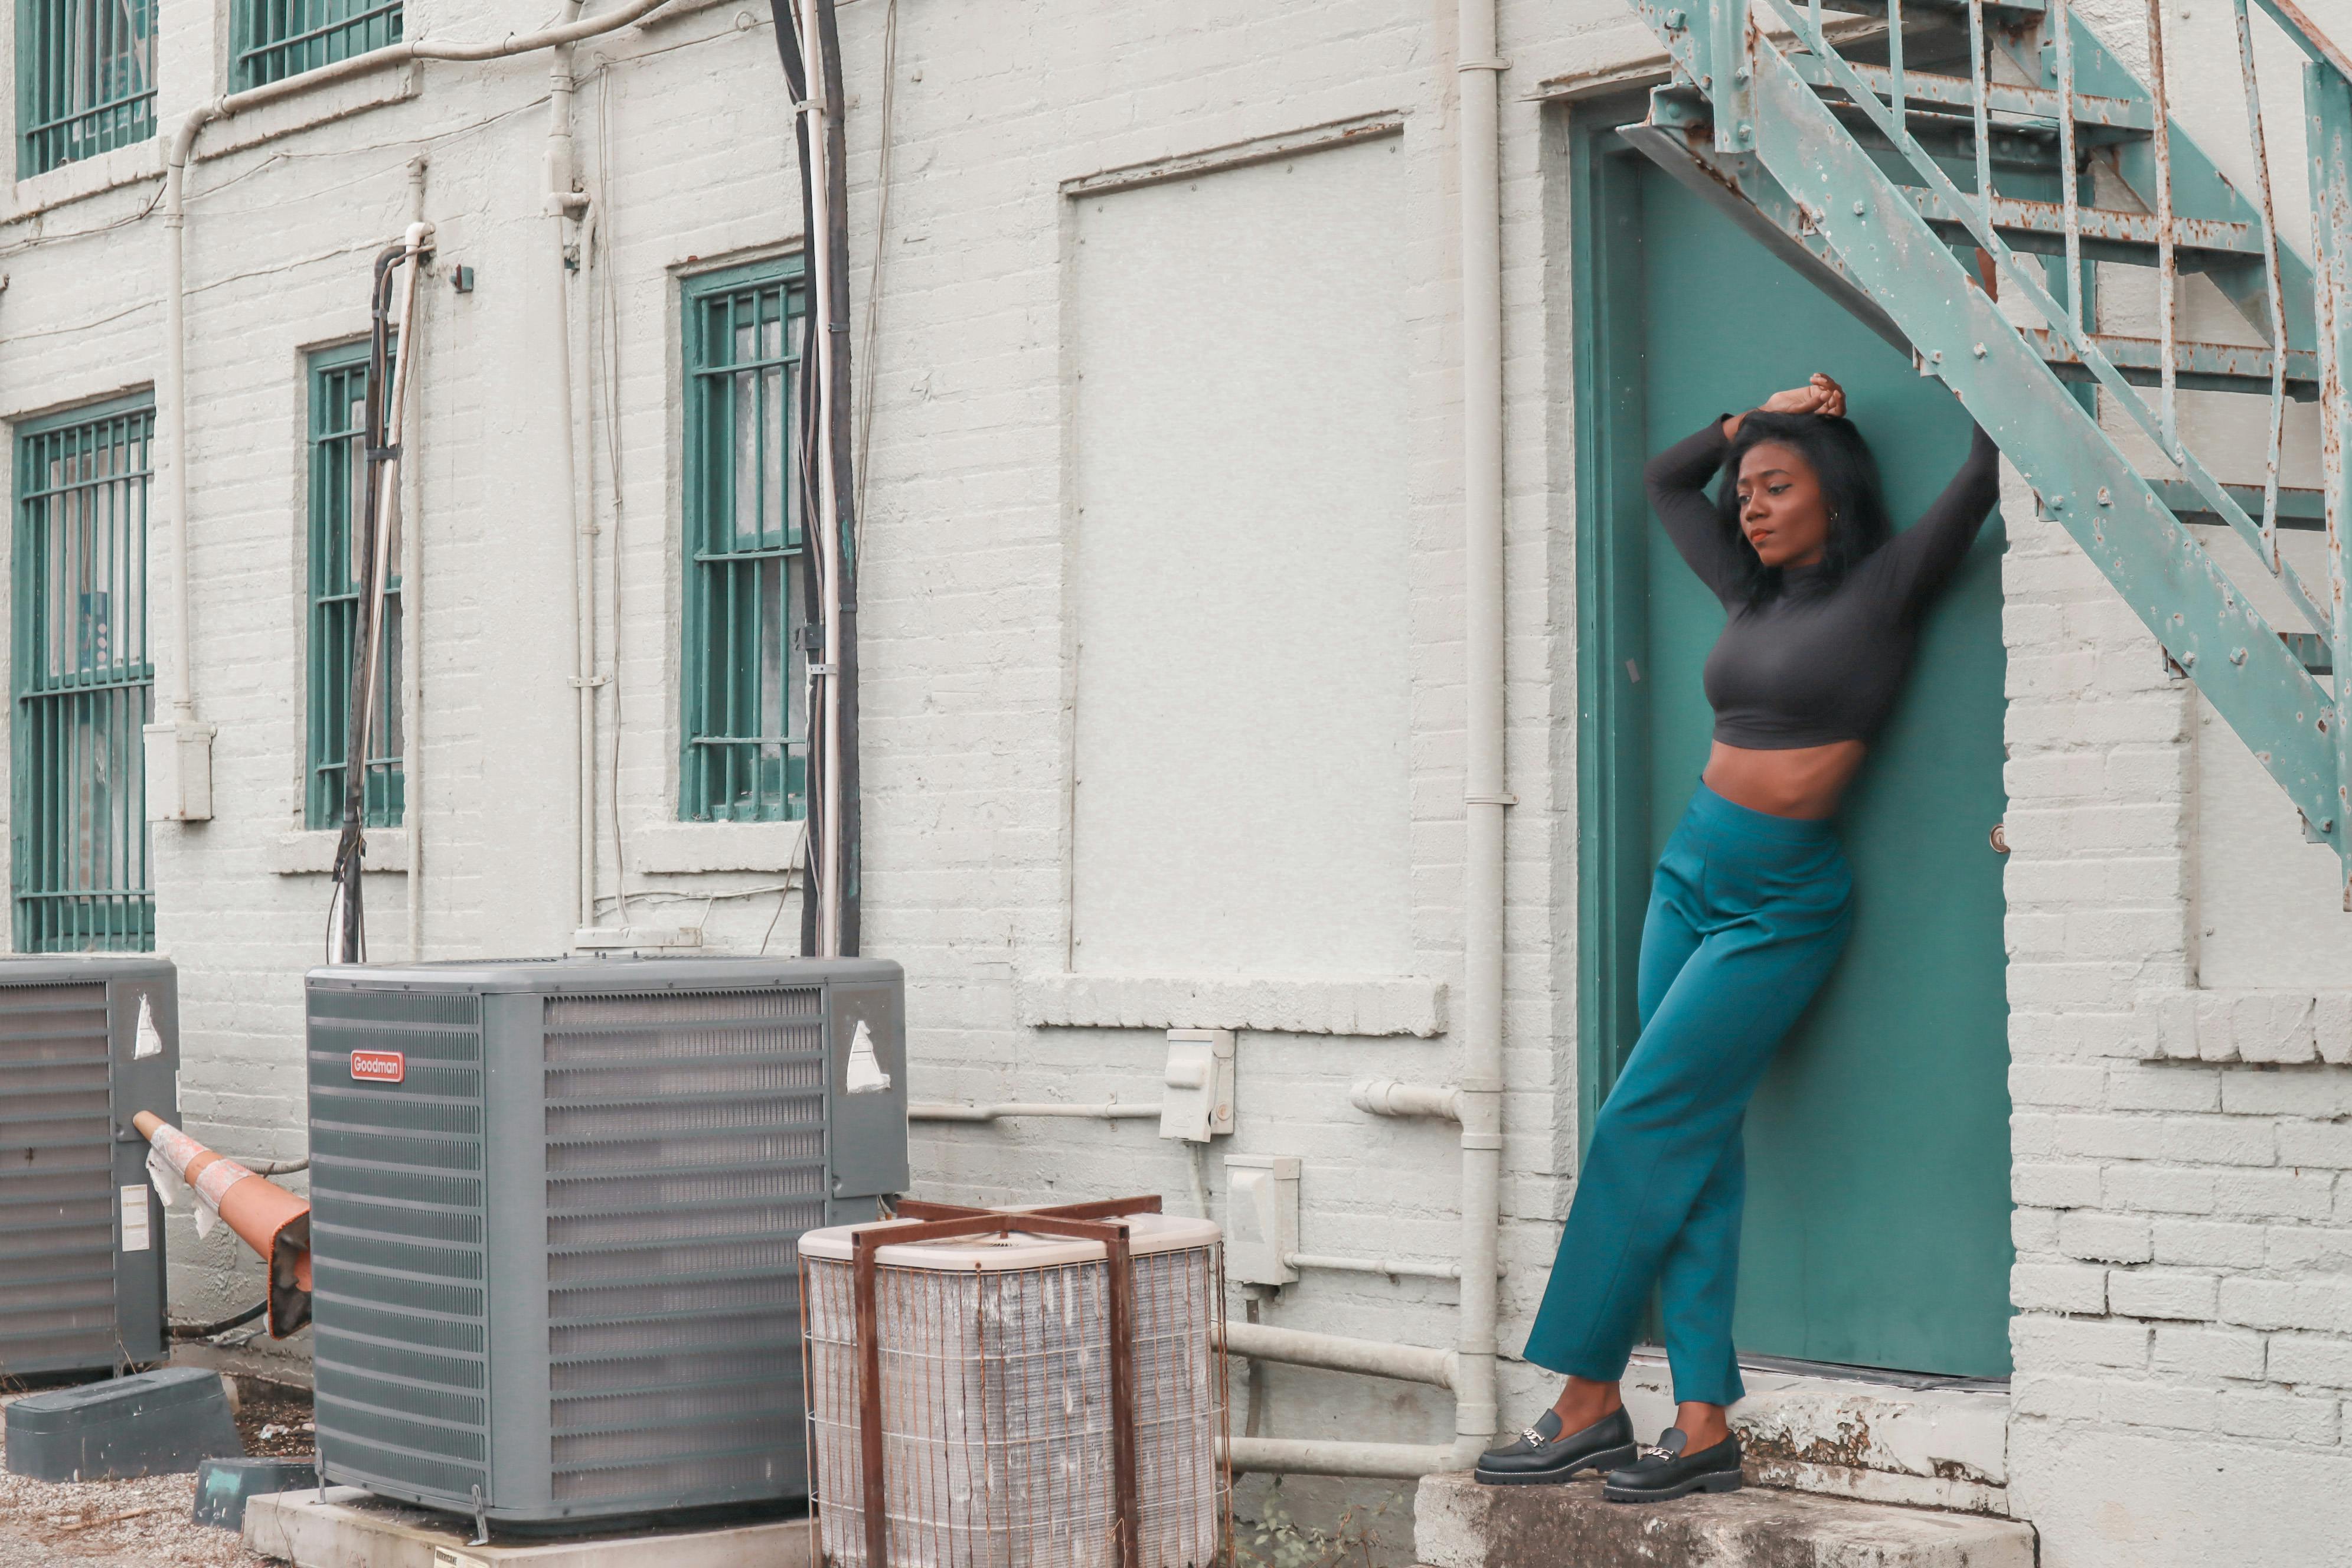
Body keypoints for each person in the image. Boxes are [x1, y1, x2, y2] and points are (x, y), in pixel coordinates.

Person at [1476, 370, 2001, 1502]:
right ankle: (1704, 1422)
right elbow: (1667, 482)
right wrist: (1748, 418)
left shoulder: (1885, 589)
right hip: (1687, 874)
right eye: (1747, 489)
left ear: (1833, 491)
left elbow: (1982, 471)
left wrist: (1980, 344)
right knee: (1697, 1145)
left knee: (1643, 1118)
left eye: (1775, 484)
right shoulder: (1747, 595)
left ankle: (1585, 1398)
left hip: (1780, 901)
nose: (1749, 505)